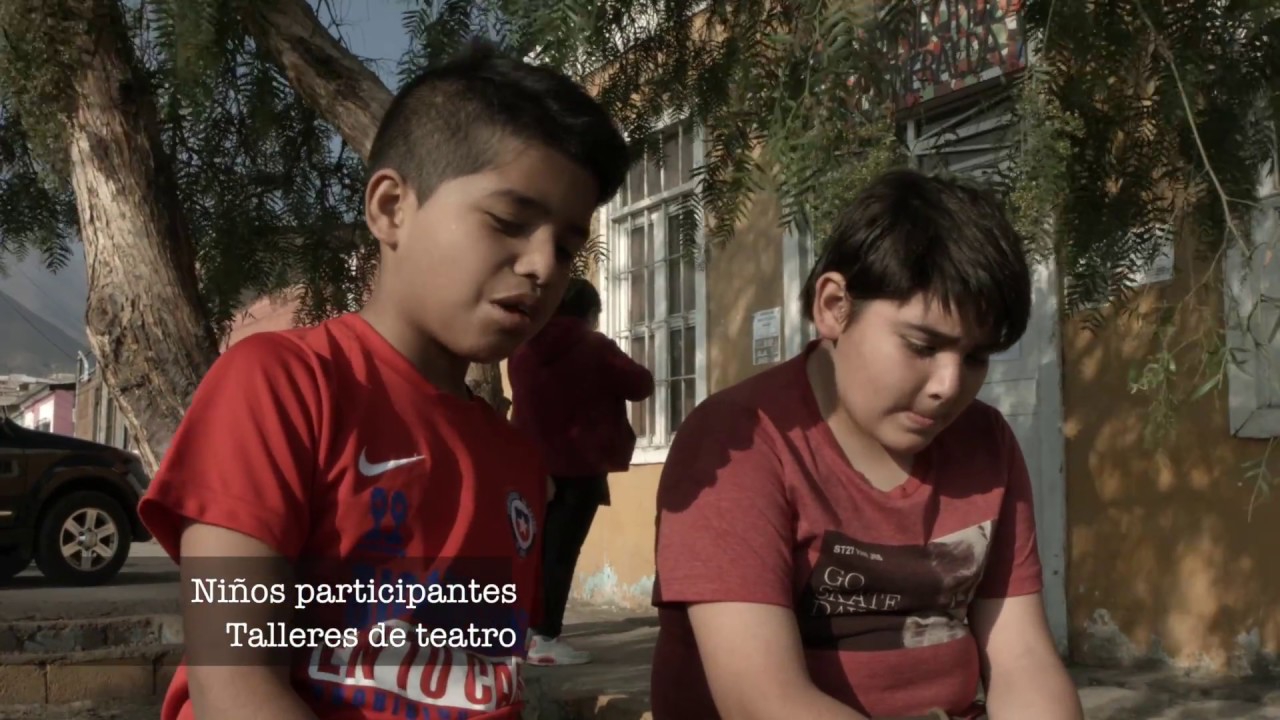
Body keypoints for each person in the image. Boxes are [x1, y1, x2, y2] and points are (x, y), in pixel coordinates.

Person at [136, 40, 629, 720]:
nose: (543, 265)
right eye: (510, 222)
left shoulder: (515, 457)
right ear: (391, 207)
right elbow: (235, 682)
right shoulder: (279, 387)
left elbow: (484, 681)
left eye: (567, 246)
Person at [649, 169, 1084, 720]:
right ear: (834, 306)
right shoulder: (738, 443)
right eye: (922, 345)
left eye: (976, 357)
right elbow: (763, 702)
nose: (949, 385)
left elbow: (1023, 660)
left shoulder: (986, 443)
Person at [508, 277, 655, 665]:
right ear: (590, 312)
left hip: (530, 469)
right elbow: (641, 385)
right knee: (562, 553)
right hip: (579, 466)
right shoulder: (594, 347)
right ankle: (545, 638)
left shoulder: (521, 348)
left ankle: (523, 631)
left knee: (533, 551)